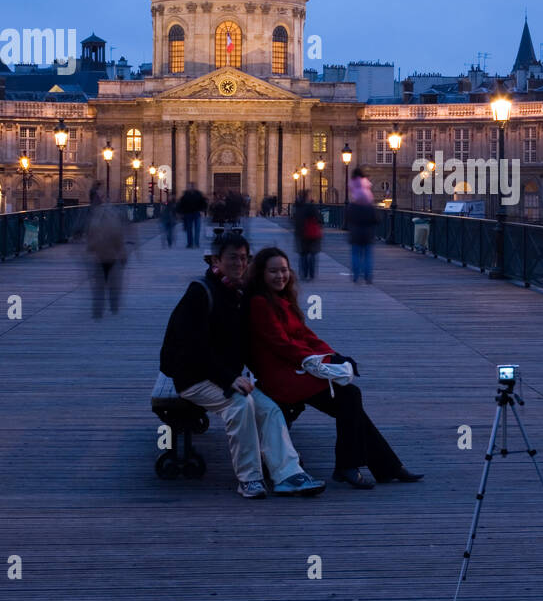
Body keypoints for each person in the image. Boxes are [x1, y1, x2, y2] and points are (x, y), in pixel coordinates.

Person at [159, 233, 326, 499]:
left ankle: (288, 474)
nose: (239, 263)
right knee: (241, 404)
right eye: (232, 258)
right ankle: (249, 478)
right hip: (193, 378)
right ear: (216, 260)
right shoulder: (200, 292)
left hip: (225, 376)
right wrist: (228, 378)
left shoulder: (239, 293)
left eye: (244, 258)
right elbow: (194, 348)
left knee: (270, 410)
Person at [246, 246, 421, 489]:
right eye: (273, 271)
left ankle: (384, 466)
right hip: (279, 375)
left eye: (284, 270)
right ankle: (357, 466)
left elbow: (306, 336)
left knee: (349, 402)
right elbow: (281, 345)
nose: (280, 276)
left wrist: (334, 355)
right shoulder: (260, 303)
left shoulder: (281, 300)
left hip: (295, 370)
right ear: (261, 274)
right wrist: (325, 361)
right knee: (350, 396)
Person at [85, 186, 129, 318]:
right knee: (111, 283)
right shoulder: (112, 214)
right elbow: (118, 234)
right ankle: (112, 306)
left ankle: (98, 311)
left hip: (102, 254)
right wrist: (122, 252)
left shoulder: (95, 215)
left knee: (100, 284)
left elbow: (91, 234)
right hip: (108, 254)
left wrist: (90, 247)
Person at [346, 167, 377, 284]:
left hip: (355, 232)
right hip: (368, 232)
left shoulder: (353, 206)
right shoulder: (369, 205)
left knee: (355, 254)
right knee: (368, 255)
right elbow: (376, 219)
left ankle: (355, 275)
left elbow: (347, 218)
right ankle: (368, 276)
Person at [292, 191, 322, 281]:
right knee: (312, 254)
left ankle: (304, 273)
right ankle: (311, 273)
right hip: (312, 233)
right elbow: (319, 219)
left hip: (301, 234)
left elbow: (295, 221)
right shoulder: (312, 207)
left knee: (303, 254)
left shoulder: (298, 207)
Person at [176, 184, 208, 248]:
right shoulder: (185, 195)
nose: (191, 188)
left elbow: (204, 202)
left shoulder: (198, 194)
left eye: (192, 186)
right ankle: (190, 244)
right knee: (189, 230)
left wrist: (202, 210)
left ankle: (196, 243)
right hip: (188, 214)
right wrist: (180, 213)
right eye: (190, 187)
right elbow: (181, 204)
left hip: (196, 213)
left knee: (197, 230)